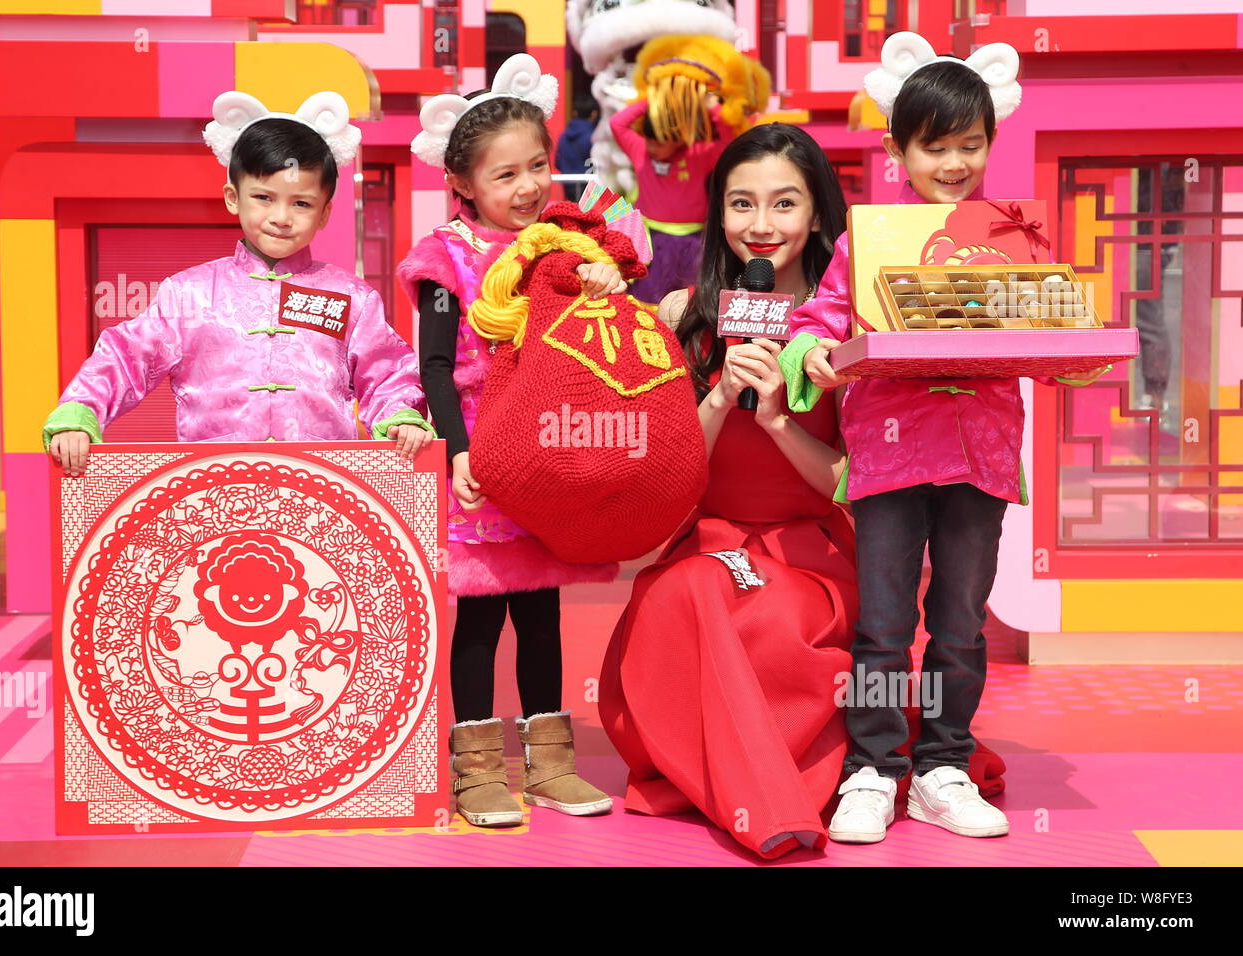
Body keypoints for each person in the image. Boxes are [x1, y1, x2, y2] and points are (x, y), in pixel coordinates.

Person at [781, 33, 1107, 843]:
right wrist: (814, 356)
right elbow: (812, 328)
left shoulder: (1015, 236)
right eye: (935, 147)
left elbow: (1054, 333)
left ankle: (943, 768)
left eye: (970, 144)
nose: (954, 162)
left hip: (980, 456)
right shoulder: (866, 241)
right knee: (885, 625)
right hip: (889, 459)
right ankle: (872, 769)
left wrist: (1079, 354)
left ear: (991, 142)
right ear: (899, 151)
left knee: (960, 621)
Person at [599, 123, 859, 859]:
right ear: (718, 214)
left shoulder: (844, 324)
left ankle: (761, 799)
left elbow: (849, 484)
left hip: (810, 553)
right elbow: (666, 476)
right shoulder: (683, 313)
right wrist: (716, 400)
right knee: (685, 594)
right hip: (709, 539)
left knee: (767, 614)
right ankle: (755, 792)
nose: (762, 226)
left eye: (784, 204)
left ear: (816, 214)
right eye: (742, 204)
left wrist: (778, 424)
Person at [399, 54, 628, 828]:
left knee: (542, 612)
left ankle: (551, 767)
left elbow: (597, 340)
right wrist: (458, 451)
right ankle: (477, 774)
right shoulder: (446, 258)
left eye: (537, 166)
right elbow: (433, 368)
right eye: (506, 176)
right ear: (462, 185)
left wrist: (602, 281)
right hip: (480, 462)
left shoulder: (565, 245)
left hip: (547, 457)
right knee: (482, 613)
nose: (528, 187)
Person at [43, 91, 434, 470]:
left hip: (321, 492)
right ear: (233, 197)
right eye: (264, 197)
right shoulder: (189, 294)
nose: (281, 216)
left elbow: (387, 373)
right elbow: (127, 357)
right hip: (210, 490)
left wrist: (400, 417)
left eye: (301, 203)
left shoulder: (351, 297)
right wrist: (81, 411)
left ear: (325, 212)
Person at [609, 95, 734, 304]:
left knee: (693, 303)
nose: (651, 147)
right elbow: (617, 123)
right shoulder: (640, 150)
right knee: (645, 301)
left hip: (695, 242)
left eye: (659, 143)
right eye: (649, 140)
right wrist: (657, 98)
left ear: (679, 139)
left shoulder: (699, 154)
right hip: (651, 242)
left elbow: (729, 139)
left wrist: (712, 108)